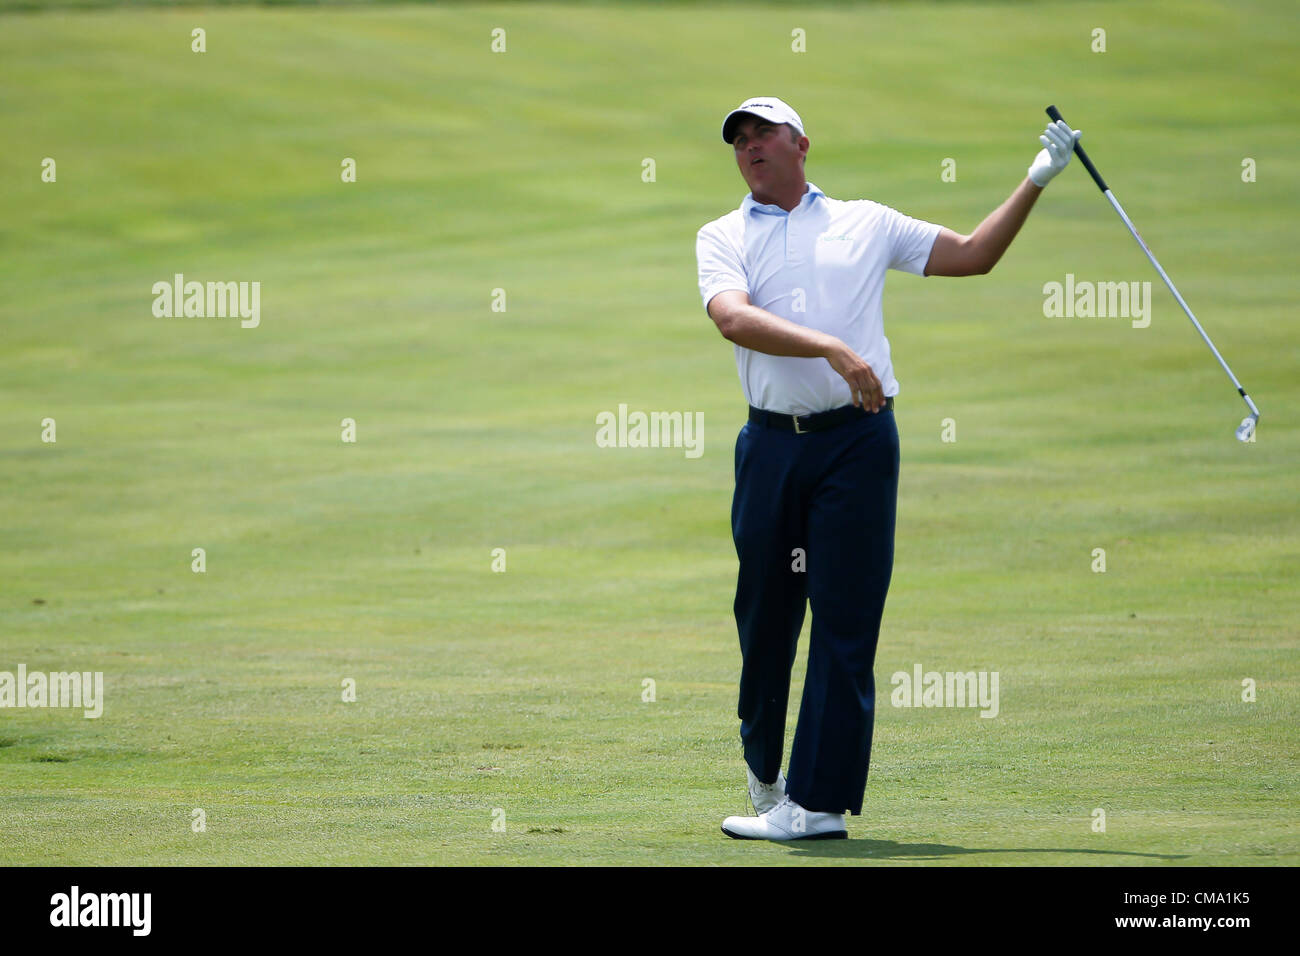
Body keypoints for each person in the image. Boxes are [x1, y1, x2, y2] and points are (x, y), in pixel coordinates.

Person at [695, 97, 1079, 841]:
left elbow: (973, 254)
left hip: (859, 445)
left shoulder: (865, 221)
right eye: (738, 141)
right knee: (767, 618)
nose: (748, 148)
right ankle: (767, 776)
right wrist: (833, 349)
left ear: (801, 142)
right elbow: (732, 318)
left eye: (761, 135)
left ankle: (817, 805)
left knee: (846, 621)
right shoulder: (722, 234)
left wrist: (1037, 177)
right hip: (772, 445)